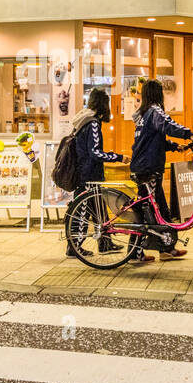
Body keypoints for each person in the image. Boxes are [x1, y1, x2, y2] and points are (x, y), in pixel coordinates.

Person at [130, 78, 193, 262]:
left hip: (143, 167)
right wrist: (190, 134)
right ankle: (147, 251)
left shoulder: (144, 115)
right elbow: (169, 125)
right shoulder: (154, 111)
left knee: (155, 210)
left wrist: (176, 147)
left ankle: (165, 249)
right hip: (148, 169)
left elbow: (155, 140)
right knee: (150, 211)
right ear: (157, 94)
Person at [66, 88, 126, 259]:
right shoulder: (92, 124)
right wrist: (118, 157)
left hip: (87, 175)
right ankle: (73, 247)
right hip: (87, 176)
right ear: (103, 105)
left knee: (99, 211)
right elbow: (95, 153)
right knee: (82, 212)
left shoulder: (83, 121)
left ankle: (105, 243)